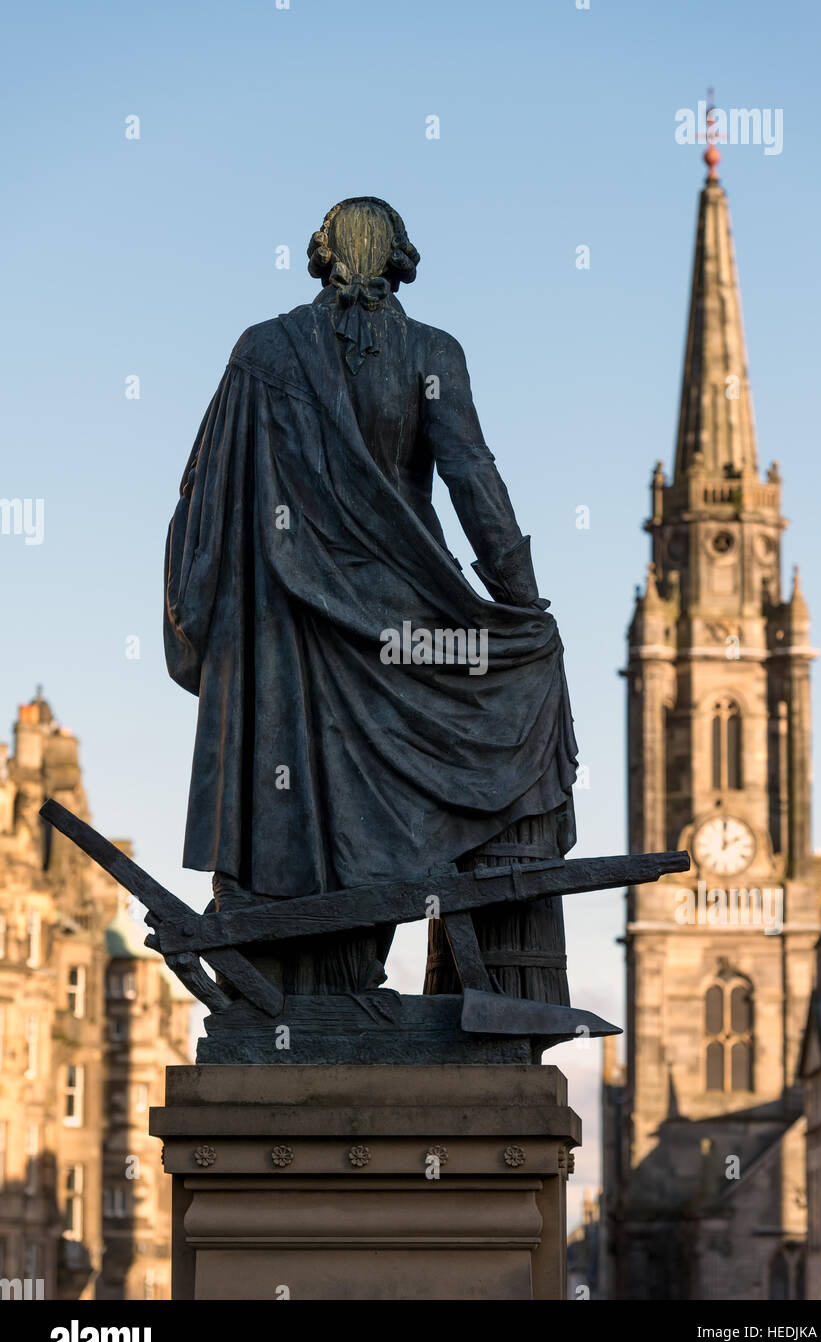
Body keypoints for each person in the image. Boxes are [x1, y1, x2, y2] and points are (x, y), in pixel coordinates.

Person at [164, 196, 578, 1000]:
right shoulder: (430, 352)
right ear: (401, 260)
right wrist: (521, 608)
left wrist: (206, 614)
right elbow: (472, 480)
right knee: (528, 672)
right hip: (403, 625)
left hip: (288, 623)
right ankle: (482, 979)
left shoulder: (262, 350)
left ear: (321, 256)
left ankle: (318, 982)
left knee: (299, 784)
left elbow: (203, 501)